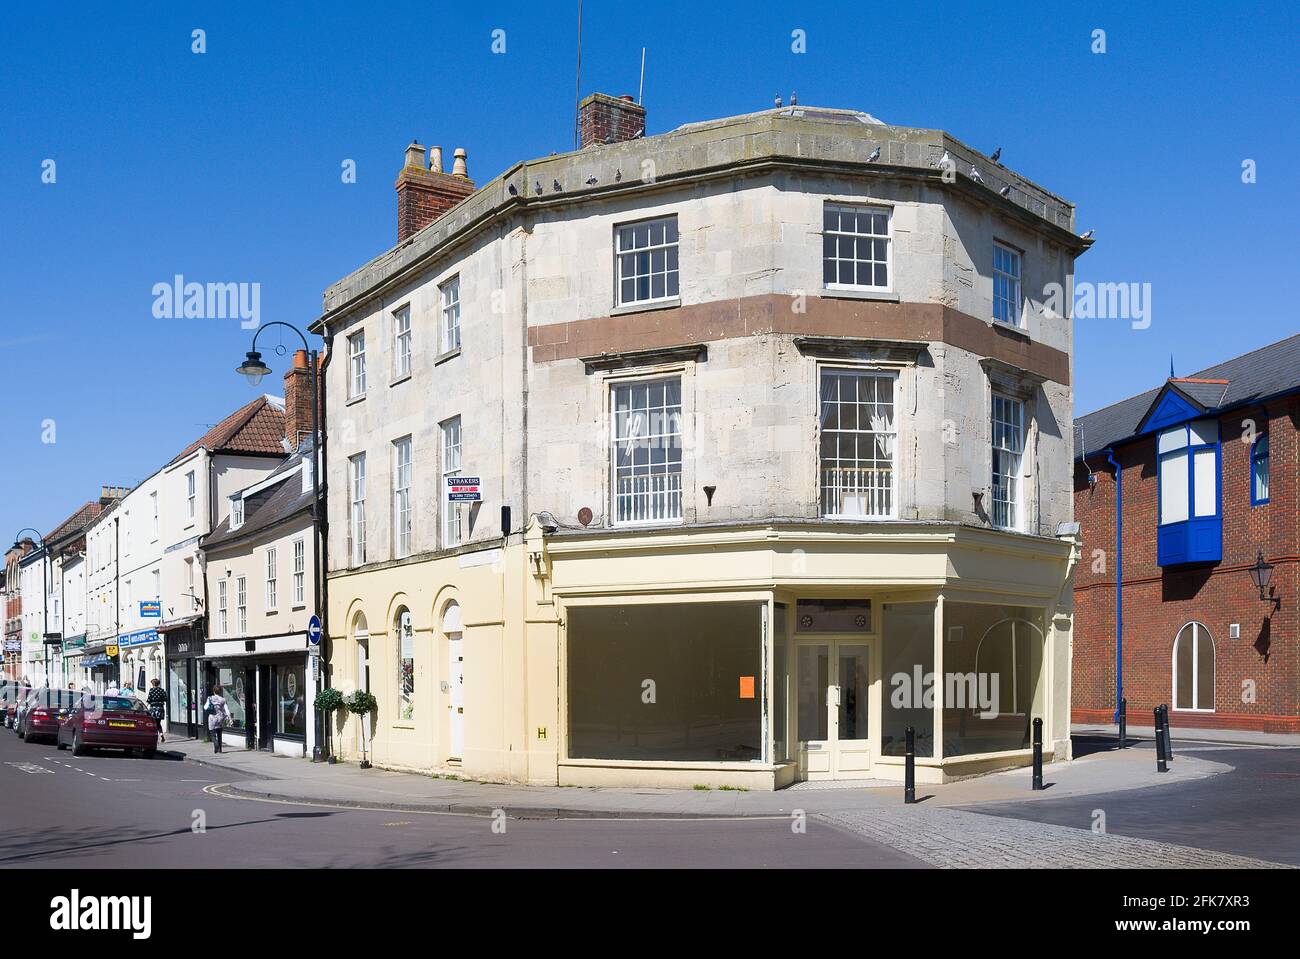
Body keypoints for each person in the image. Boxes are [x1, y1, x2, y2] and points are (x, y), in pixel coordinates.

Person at [204, 684, 230, 753]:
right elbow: (226, 709)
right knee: (219, 733)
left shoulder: (210, 698)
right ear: (220, 691)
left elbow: (205, 707)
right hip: (220, 717)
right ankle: (220, 749)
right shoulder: (223, 699)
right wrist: (229, 717)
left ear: (213, 691)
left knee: (212, 733)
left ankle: (215, 744)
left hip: (212, 717)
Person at [146, 677, 168, 743]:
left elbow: (149, 699)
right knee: (158, 723)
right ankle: (161, 735)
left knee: (153, 722)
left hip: (153, 708)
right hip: (160, 708)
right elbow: (165, 699)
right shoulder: (162, 690)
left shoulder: (151, 690)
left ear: (153, 684)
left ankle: (154, 736)